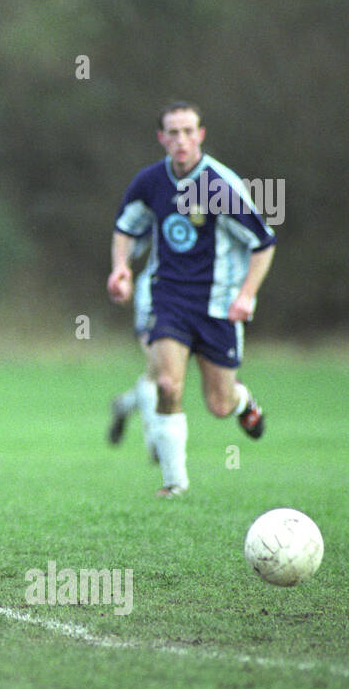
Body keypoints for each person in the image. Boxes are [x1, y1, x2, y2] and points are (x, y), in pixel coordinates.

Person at [107, 101, 275, 498]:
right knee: (166, 384)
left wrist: (247, 295)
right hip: (170, 300)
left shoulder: (219, 185)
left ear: (200, 135)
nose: (180, 140)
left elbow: (264, 243)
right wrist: (121, 268)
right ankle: (174, 483)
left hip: (219, 307)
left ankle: (243, 402)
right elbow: (125, 227)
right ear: (161, 138)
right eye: (172, 132)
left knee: (219, 404)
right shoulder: (150, 182)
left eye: (188, 132)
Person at [106, 234, 161, 461]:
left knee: (170, 376)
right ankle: (156, 442)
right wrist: (122, 272)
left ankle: (125, 404)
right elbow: (128, 234)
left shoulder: (227, 203)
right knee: (159, 369)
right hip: (156, 293)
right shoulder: (165, 199)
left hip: (202, 299)